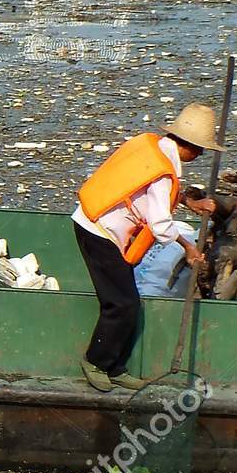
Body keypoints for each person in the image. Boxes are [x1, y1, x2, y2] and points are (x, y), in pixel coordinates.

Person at [72, 104, 220, 392]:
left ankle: (115, 367)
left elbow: (149, 195)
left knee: (125, 298)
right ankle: (96, 361)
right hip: (98, 231)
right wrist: (188, 247)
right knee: (122, 302)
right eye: (199, 149)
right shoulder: (164, 172)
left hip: (92, 219)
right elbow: (161, 224)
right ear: (186, 145)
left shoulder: (151, 146)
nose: (200, 155)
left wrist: (190, 203)